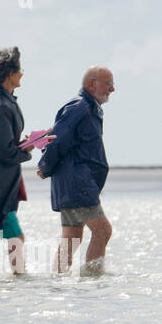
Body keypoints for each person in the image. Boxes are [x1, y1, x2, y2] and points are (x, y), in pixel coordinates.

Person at [37, 66, 115, 276]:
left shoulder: (88, 107)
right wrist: (45, 166)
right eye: (108, 84)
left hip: (72, 184)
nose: (112, 89)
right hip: (77, 184)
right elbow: (57, 140)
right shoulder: (80, 107)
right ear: (92, 84)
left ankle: (57, 283)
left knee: (71, 238)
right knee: (103, 231)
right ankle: (93, 282)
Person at [0, 47, 40, 274]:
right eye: (19, 69)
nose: (22, 73)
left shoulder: (5, 101)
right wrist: (28, 150)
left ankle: (20, 283)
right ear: (9, 73)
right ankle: (20, 279)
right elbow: (6, 153)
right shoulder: (0, 107)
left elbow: (5, 147)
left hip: (1, 185)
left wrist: (24, 145)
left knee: (15, 238)